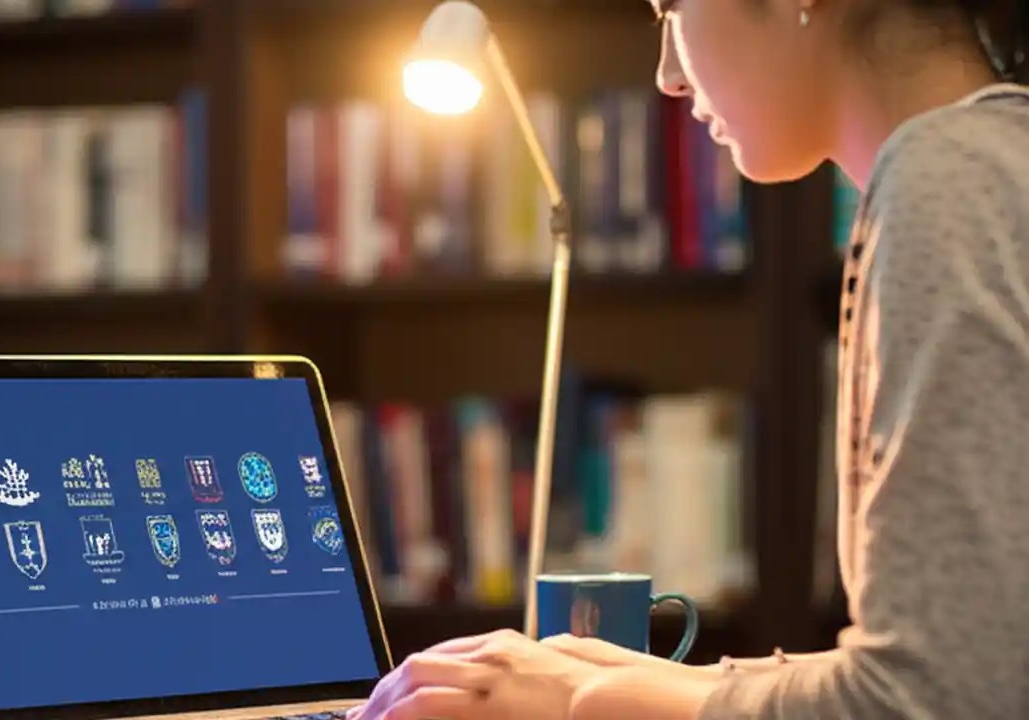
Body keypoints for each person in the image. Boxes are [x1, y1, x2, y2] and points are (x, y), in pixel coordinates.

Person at [347, 0, 1029, 717]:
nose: (669, 76)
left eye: (672, 8)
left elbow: (940, 698)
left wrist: (586, 699)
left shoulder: (951, 177)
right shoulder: (987, 159)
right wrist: (619, 675)